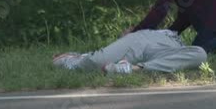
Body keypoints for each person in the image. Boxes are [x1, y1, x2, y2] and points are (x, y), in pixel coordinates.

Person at [53, 29, 206, 74]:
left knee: (200, 54)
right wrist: (135, 30)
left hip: (169, 46)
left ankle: (131, 69)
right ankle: (73, 59)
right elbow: (159, 9)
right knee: (95, 62)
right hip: (143, 38)